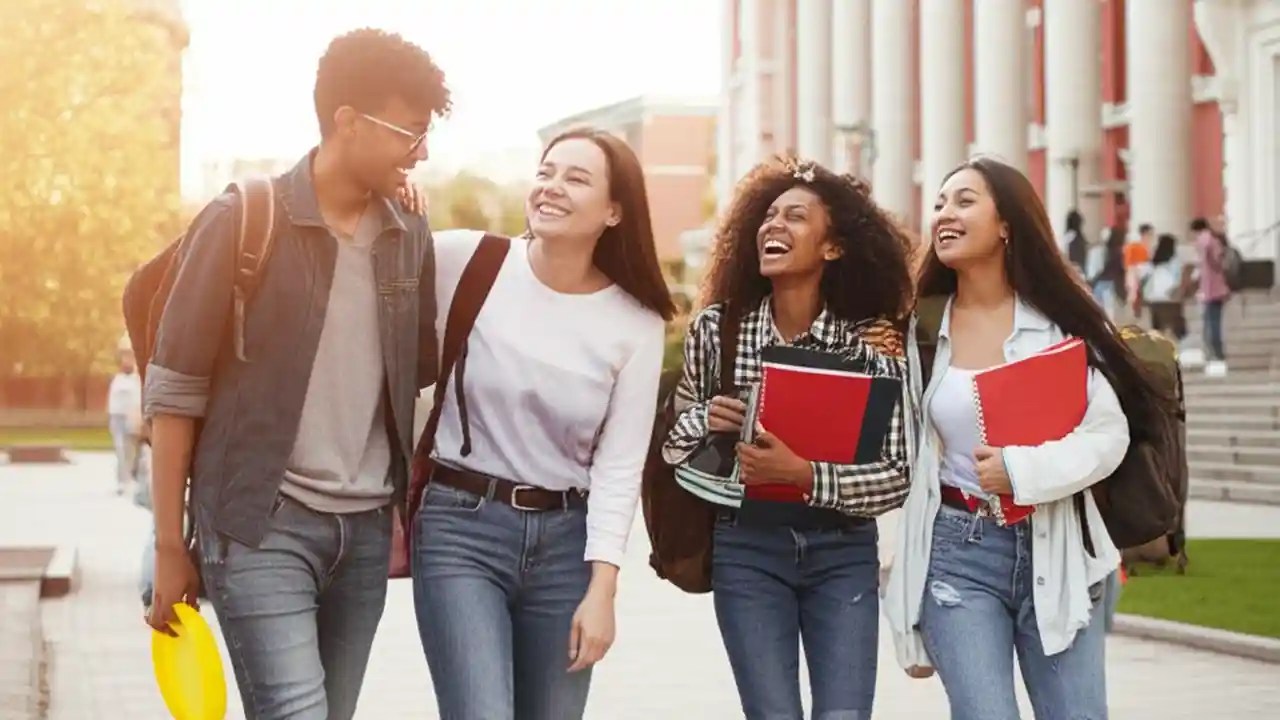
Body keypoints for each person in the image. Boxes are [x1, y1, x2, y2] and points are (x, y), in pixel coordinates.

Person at [142, 29, 447, 720]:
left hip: (366, 532)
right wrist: (168, 547)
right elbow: (174, 394)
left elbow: (416, 375)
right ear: (348, 120)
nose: (421, 151)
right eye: (410, 132)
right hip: (260, 527)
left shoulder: (409, 234)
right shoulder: (243, 220)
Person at [885, 157, 1173, 720]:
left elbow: (1106, 434)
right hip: (956, 554)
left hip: (1058, 545)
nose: (945, 212)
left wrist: (1021, 471)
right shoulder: (917, 330)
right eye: (940, 202)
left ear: (1007, 224)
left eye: (964, 201)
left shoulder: (1062, 323)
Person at [413, 127, 673, 720]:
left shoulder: (635, 322)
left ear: (613, 211)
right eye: (546, 172)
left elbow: (619, 464)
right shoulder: (468, 261)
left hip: (566, 546)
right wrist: (399, 201)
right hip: (460, 529)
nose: (552, 187)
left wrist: (602, 590)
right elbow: (370, 265)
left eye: (576, 178)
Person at [662, 156, 914, 720]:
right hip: (747, 549)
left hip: (843, 550)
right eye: (768, 214)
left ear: (834, 247)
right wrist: (707, 419)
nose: (774, 225)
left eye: (796, 216)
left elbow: (898, 473)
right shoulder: (717, 330)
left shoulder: (873, 344)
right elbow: (673, 449)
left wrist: (805, 474)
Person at [1192, 217, 1231, 377]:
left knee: (1210, 323)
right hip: (1216, 288)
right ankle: (1216, 352)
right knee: (1214, 322)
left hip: (1209, 289)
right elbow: (1219, 262)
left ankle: (1214, 352)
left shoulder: (1203, 242)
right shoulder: (1214, 241)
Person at [1140, 233, 1190, 345]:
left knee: (1158, 329)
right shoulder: (1176, 261)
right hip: (1171, 298)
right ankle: (1177, 352)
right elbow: (1180, 279)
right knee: (1177, 329)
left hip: (1154, 298)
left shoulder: (1153, 261)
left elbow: (1143, 278)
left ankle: (1158, 350)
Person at [107, 346, 144, 496]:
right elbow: (112, 401)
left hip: (132, 417)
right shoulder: (117, 378)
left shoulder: (137, 379)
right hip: (117, 418)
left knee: (131, 452)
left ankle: (132, 478)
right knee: (120, 450)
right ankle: (122, 481)